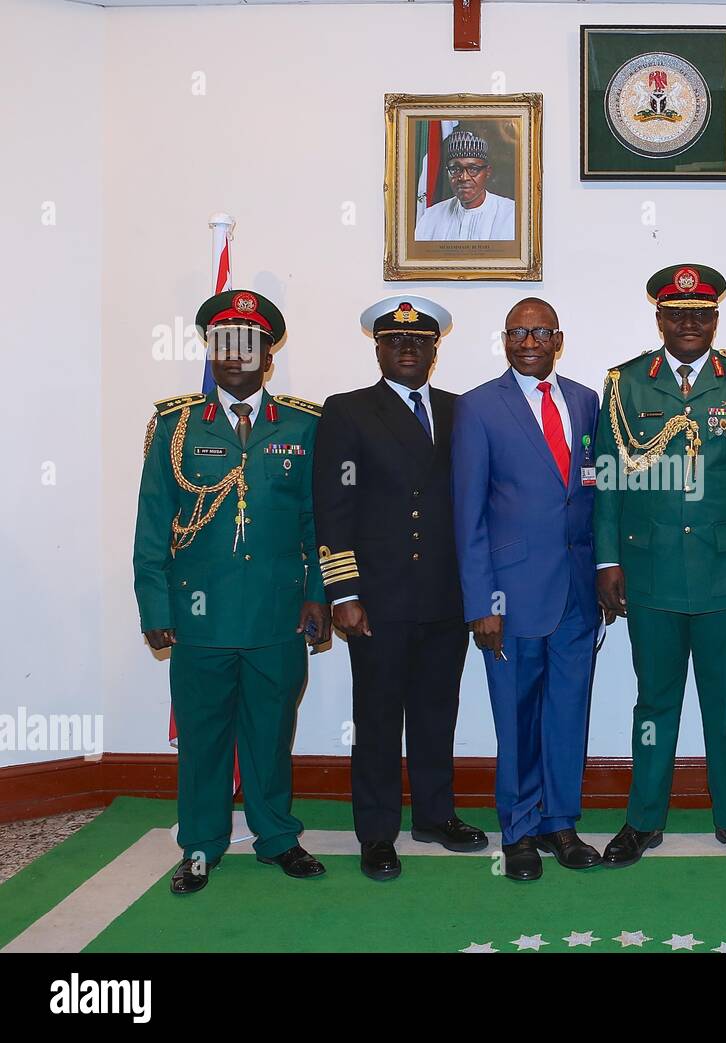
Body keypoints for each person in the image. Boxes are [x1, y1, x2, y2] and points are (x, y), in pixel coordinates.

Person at [133, 289, 329, 895]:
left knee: (272, 730)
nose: (236, 355)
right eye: (224, 343)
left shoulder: (305, 425)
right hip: (200, 615)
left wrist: (318, 594)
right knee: (203, 734)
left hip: (277, 611)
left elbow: (318, 523)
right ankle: (199, 844)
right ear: (211, 352)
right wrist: (156, 608)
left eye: (250, 344)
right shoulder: (175, 427)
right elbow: (151, 527)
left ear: (269, 356)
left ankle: (277, 837)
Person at [594, 264, 726, 868]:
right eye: (676, 314)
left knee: (724, 701)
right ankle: (642, 819)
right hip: (649, 569)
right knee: (654, 702)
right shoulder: (626, 383)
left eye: (700, 314)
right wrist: (607, 560)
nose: (688, 323)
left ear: (715, 319)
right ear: (659, 319)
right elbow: (607, 480)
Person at [312, 296, 487, 882]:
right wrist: (342, 593)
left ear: (436, 350)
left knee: (439, 715)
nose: (408, 349)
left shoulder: (462, 411)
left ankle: (436, 816)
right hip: (377, 600)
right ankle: (377, 832)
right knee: (380, 720)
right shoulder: (348, 411)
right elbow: (332, 510)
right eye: (395, 341)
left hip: (445, 596)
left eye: (419, 342)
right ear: (378, 348)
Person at [451, 298, 602, 882]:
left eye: (539, 331)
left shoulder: (587, 402)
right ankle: (517, 829)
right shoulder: (478, 408)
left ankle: (559, 823)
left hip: (576, 593)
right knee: (515, 716)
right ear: (504, 340)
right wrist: (480, 602)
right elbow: (469, 517)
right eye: (517, 332)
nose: (528, 341)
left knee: (569, 711)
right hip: (509, 595)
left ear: (557, 338)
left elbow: (593, 491)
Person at [414, 129, 517, 242]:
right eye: (455, 169)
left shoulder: (513, 216)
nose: (464, 177)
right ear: (447, 171)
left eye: (473, 169)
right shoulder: (431, 217)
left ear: (487, 172)